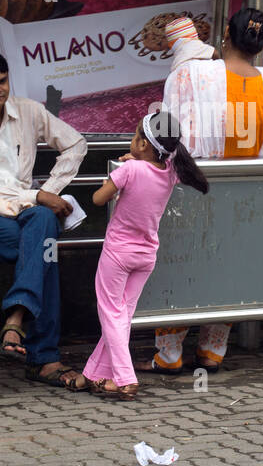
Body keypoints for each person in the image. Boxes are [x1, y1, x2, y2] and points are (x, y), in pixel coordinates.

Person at [140, 6, 263, 374]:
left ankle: (169, 354)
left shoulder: (190, 73)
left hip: (192, 189)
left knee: (184, 266)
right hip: (246, 192)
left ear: (224, 32)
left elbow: (168, 133)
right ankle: (213, 350)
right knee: (229, 265)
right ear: (262, 43)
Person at [0, 48, 90, 390]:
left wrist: (50, 189)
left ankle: (16, 318)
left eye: (3, 81)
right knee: (44, 241)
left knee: (42, 236)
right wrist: (38, 196)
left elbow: (76, 144)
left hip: (26, 217)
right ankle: (43, 358)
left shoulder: (28, 111)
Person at [82, 109, 210, 400]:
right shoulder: (171, 173)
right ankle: (93, 374)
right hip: (146, 256)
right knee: (121, 316)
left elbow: (98, 198)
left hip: (117, 253)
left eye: (135, 134)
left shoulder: (129, 170)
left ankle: (125, 378)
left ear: (142, 145)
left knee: (112, 314)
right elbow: (158, 171)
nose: (132, 138)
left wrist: (120, 176)